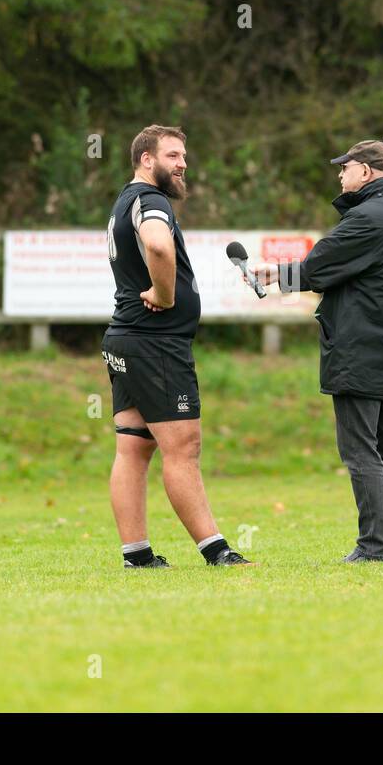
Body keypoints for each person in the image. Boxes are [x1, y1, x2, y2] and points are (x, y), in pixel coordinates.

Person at [251, 140, 383, 563]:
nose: (340, 175)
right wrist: (282, 272)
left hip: (360, 351)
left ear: (366, 172)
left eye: (344, 168)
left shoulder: (368, 218)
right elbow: (336, 264)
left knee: (360, 449)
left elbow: (319, 266)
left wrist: (280, 275)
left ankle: (374, 547)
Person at [101, 124, 252, 569]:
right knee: (183, 447)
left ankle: (138, 555)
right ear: (146, 160)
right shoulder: (150, 201)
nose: (182, 163)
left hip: (125, 337)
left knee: (133, 446)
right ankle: (217, 551)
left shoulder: (122, 202)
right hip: (154, 343)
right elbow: (158, 247)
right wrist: (165, 297)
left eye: (183, 156)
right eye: (172, 155)